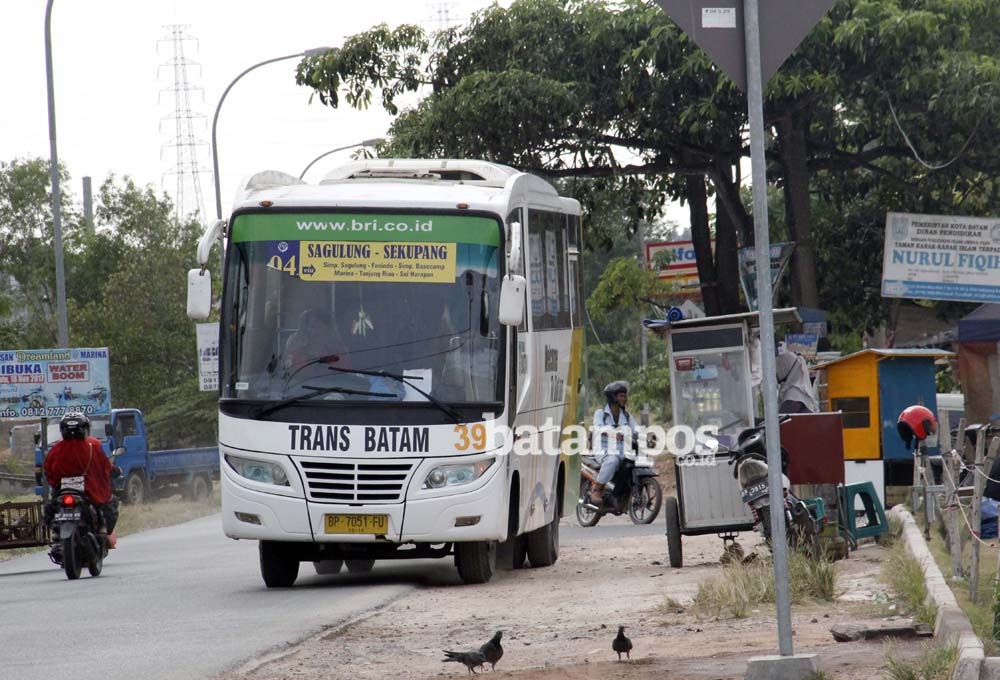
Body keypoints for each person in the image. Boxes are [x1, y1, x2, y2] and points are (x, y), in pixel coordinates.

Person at [44, 411, 119, 540]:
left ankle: (55, 532)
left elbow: (48, 471)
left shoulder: (56, 449)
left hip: (62, 491)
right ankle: (102, 529)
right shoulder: (92, 446)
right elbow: (104, 467)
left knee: (51, 509)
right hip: (90, 492)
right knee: (105, 508)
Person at [589, 381, 640, 506]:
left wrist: (647, 437)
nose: (624, 398)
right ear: (613, 397)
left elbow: (636, 430)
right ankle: (597, 489)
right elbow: (599, 428)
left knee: (633, 462)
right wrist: (612, 433)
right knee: (613, 461)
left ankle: (620, 493)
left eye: (624, 395)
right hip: (604, 449)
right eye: (620, 396)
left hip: (622, 450)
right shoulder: (601, 413)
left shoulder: (626, 416)